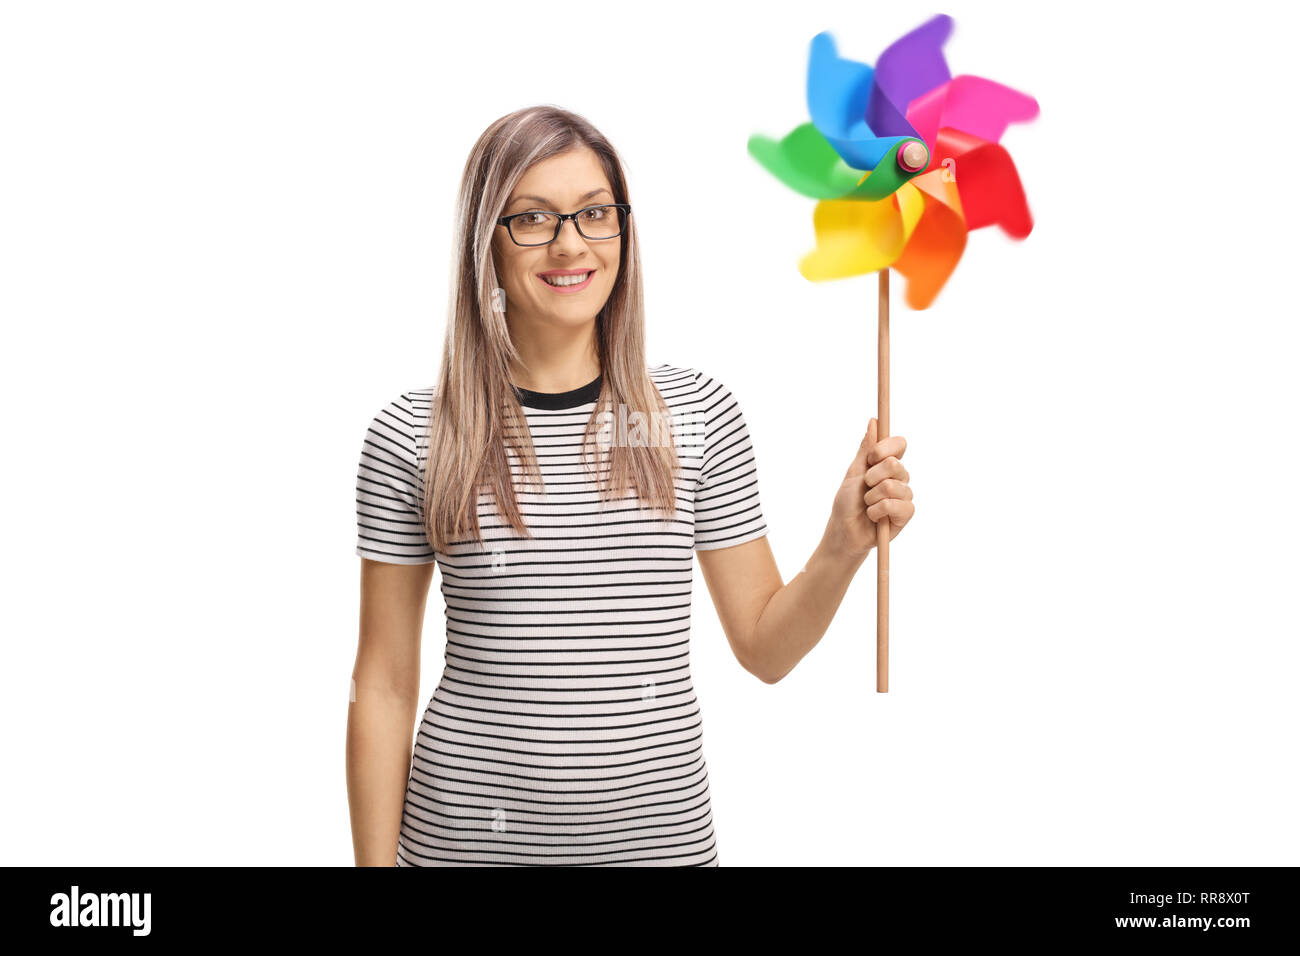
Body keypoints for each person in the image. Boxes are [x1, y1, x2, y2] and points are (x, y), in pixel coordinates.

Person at [348, 105, 914, 866]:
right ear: (485, 239)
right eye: (533, 219)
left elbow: (765, 650)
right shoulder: (413, 433)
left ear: (625, 228)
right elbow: (382, 684)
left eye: (594, 213)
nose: (570, 244)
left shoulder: (698, 414)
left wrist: (842, 549)